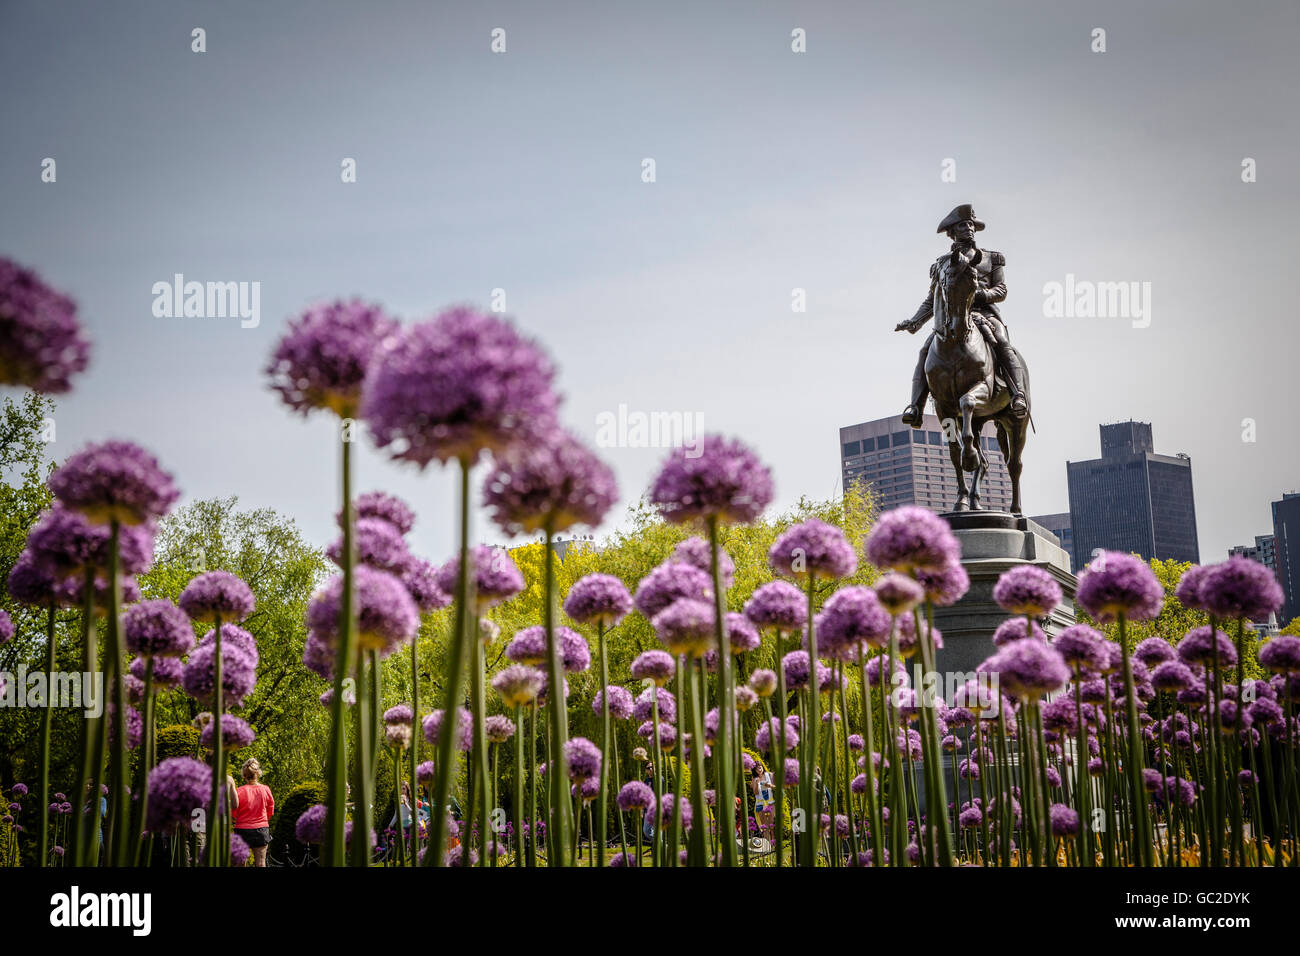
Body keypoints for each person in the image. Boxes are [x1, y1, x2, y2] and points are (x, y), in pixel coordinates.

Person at [896, 204, 1029, 425]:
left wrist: (978, 295)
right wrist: (915, 322)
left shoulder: (991, 258)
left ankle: (1018, 395)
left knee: (1003, 343)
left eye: (970, 224)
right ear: (952, 232)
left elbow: (1001, 290)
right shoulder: (941, 264)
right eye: (962, 225)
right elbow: (932, 299)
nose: (968, 228)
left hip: (984, 314)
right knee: (925, 350)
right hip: (951, 318)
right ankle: (915, 406)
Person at [232, 758, 275, 867]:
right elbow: (271, 809)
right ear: (257, 774)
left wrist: (240, 819)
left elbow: (234, 811)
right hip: (261, 830)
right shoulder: (265, 789)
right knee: (261, 863)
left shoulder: (239, 791)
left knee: (240, 863)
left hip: (242, 830)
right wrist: (263, 820)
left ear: (244, 775)